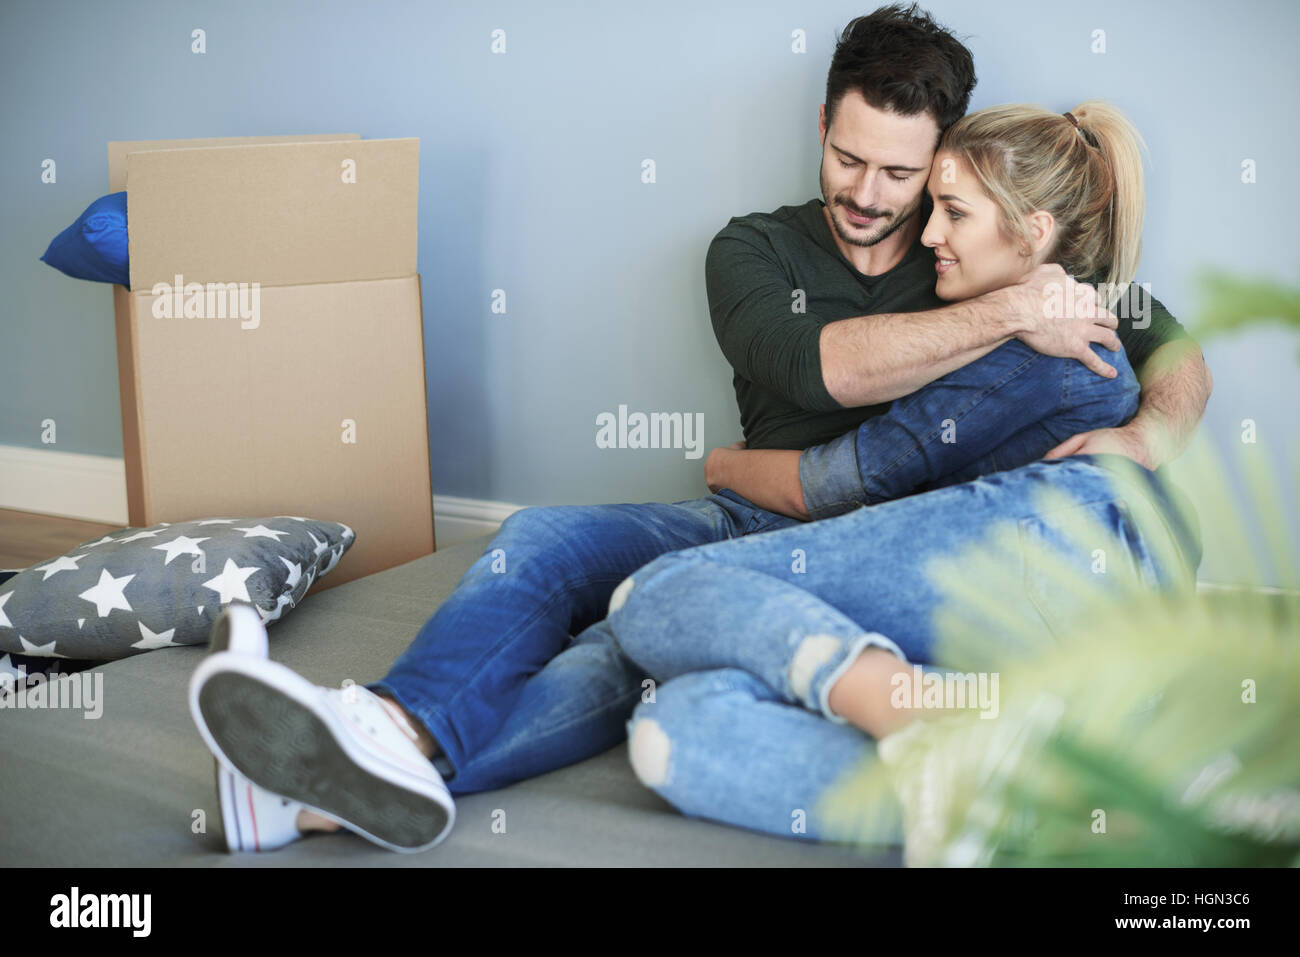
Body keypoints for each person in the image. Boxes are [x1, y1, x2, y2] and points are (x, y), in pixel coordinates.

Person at [186, 4, 1211, 853]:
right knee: (546, 541)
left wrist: (1149, 439)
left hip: (875, 532)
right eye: (850, 159)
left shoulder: (984, 259)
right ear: (821, 126)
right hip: (750, 519)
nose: (870, 195)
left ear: (943, 163)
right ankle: (385, 729)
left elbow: (1172, 358)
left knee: (624, 650)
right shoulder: (752, 250)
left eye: (904, 178)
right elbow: (830, 366)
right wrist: (1004, 312)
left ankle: (330, 786)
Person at [594, 101, 1206, 857]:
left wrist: (722, 464)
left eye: (952, 212)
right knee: (674, 729)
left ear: (1033, 233)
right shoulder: (1050, 325)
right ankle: (1031, 785)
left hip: (1048, 576)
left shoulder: (1050, 344)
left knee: (654, 592)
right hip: (1021, 637)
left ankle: (930, 720)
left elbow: (846, 480)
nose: (927, 234)